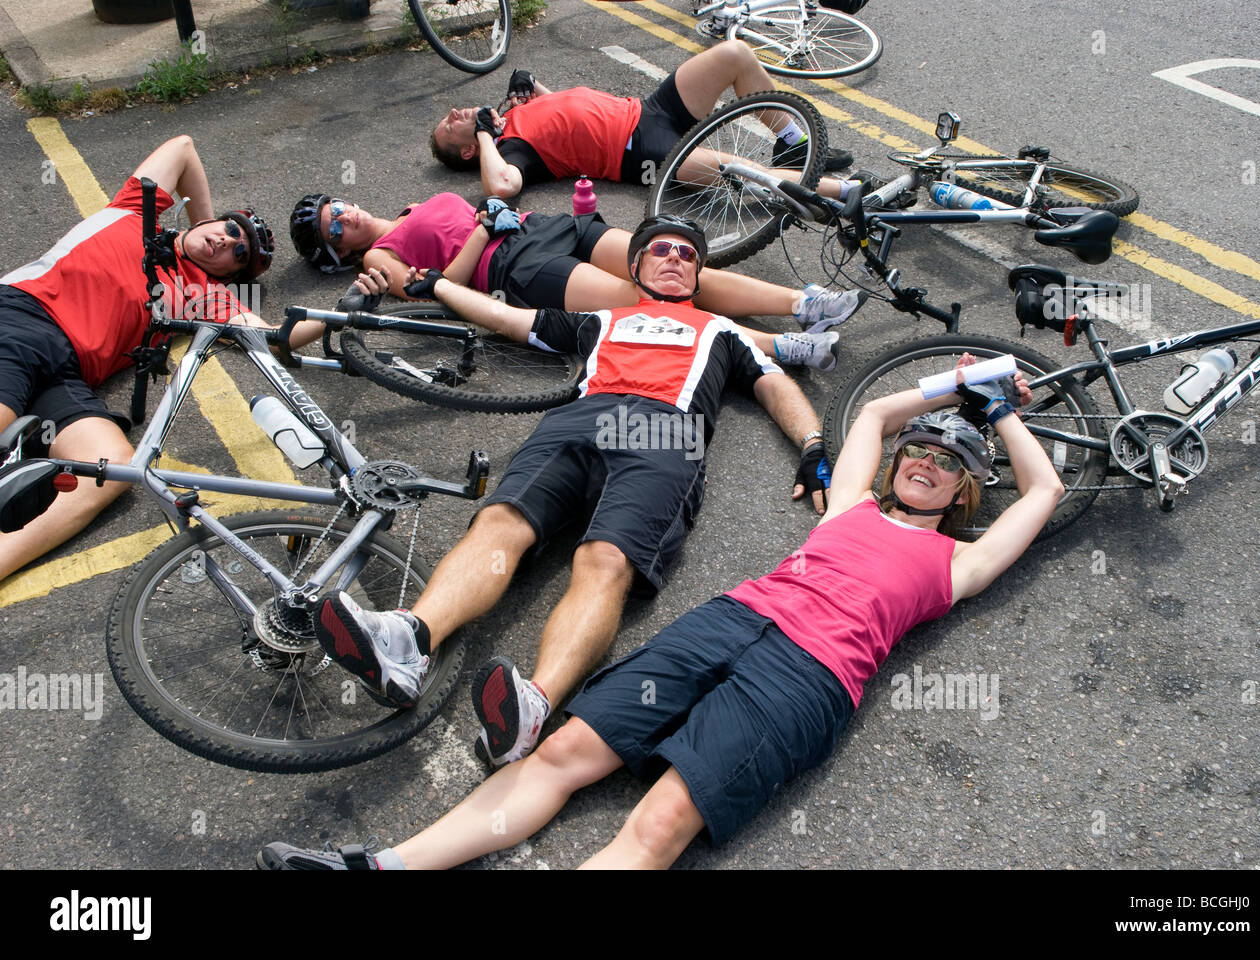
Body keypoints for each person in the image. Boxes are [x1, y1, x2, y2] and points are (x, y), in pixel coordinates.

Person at [257, 360, 1065, 870]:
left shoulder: (960, 560)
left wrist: (997, 412)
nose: (925, 461)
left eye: (947, 463)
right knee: (562, 751)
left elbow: (1044, 492)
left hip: (808, 676)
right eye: (921, 452)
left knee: (660, 823)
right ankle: (384, 868)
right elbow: (877, 417)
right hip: (731, 619)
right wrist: (958, 382)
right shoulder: (848, 504)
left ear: (965, 491)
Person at [305, 214, 835, 769]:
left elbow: (775, 385)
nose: (676, 257)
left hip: (665, 430)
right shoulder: (601, 319)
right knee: (501, 522)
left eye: (688, 254)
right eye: (662, 250)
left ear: (699, 277)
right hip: (578, 419)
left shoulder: (723, 330)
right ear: (636, 268)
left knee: (605, 559)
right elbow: (511, 319)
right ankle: (410, 642)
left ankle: (534, 705)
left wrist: (813, 444)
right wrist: (436, 284)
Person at [0, 136, 289, 583]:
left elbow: (274, 338)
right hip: (24, 318)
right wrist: (205, 220)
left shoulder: (200, 295)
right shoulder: (138, 211)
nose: (226, 242)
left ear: (230, 276)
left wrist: (335, 319)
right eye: (230, 229)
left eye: (238, 254)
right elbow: (185, 146)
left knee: (112, 469)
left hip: (67, 373)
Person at [289, 191, 869, 371]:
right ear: (341, 255)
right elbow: (446, 286)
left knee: (671, 264)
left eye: (336, 209)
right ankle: (782, 347)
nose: (345, 218)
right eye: (334, 230)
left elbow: (502, 178)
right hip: (514, 268)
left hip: (548, 228)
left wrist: (492, 158)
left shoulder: (414, 206)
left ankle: (804, 301)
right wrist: (481, 230)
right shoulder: (383, 258)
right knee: (647, 302)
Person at [430, 44, 859, 201]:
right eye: (450, 127)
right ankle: (852, 192)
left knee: (736, 55)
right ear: (468, 150)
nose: (454, 114)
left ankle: (792, 142)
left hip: (649, 110)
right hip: (645, 155)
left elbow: (572, 119)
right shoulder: (510, 151)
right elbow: (502, 187)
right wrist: (488, 134)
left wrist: (535, 87)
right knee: (744, 171)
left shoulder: (513, 118)